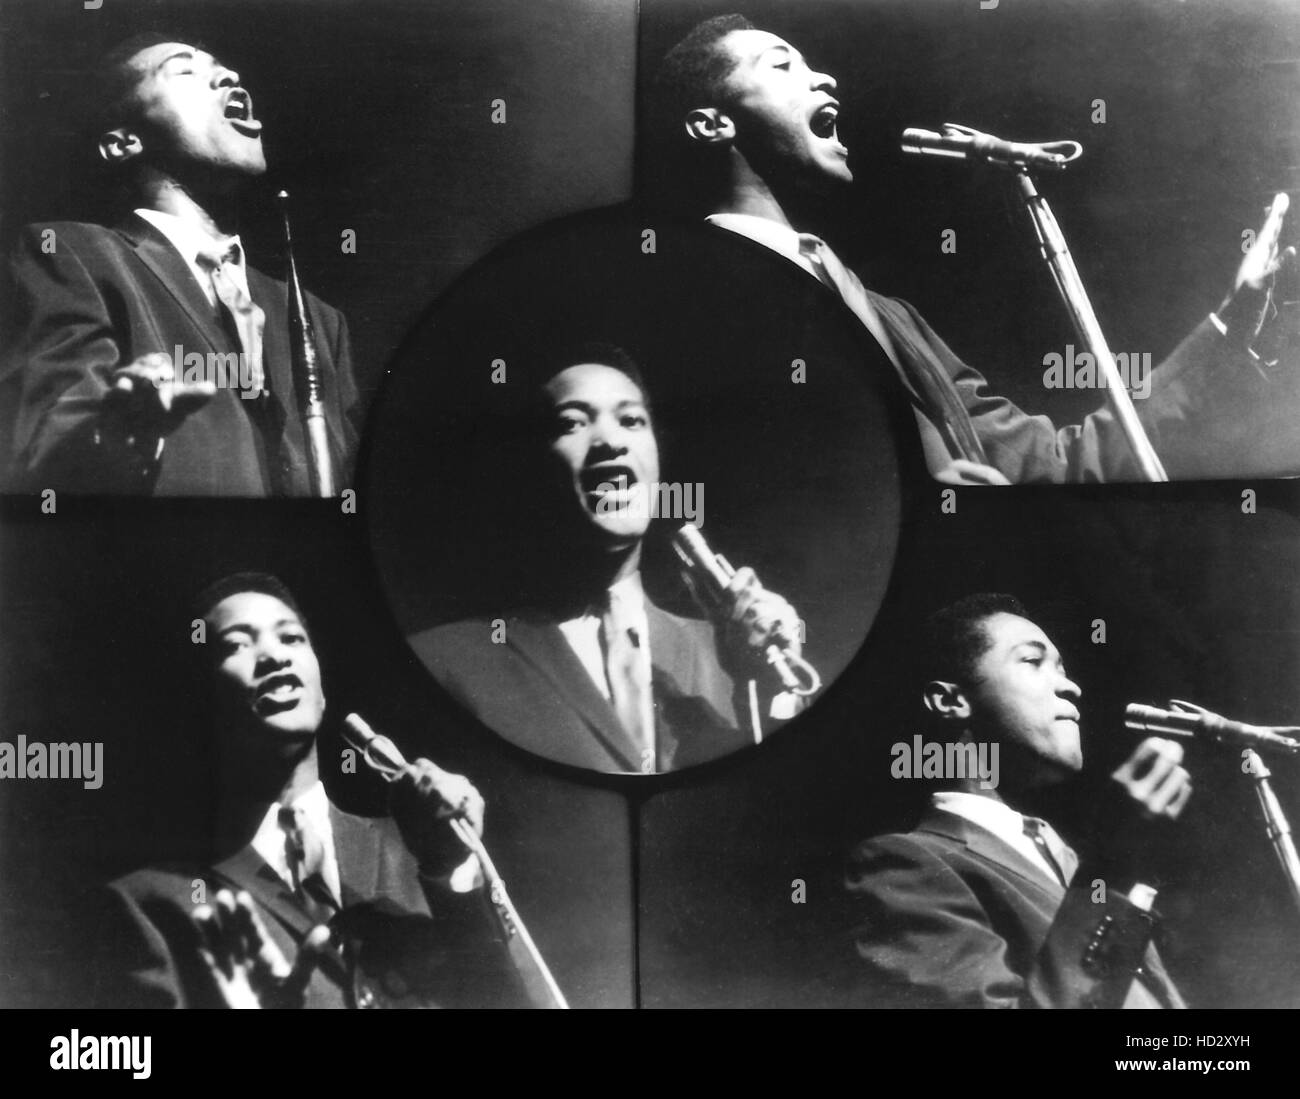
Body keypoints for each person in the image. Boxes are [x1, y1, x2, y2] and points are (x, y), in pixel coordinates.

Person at [649, 15, 1295, 483]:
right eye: (782, 65)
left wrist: (1229, 328)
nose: (825, 78)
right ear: (712, 123)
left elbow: (1055, 463)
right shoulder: (683, 298)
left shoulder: (890, 317)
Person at [89, 573, 518, 1008]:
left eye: (292, 638)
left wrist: (449, 867)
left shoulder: (421, 851)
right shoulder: (152, 905)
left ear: (321, 685)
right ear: (197, 704)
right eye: (237, 644)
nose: (274, 655)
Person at [410, 342, 808, 774]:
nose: (609, 441)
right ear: (529, 471)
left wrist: (769, 690)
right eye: (573, 423)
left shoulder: (733, 657)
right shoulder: (444, 663)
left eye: (632, 420)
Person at [0, 33, 356, 495]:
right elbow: (44, 450)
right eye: (184, 69)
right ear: (123, 143)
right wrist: (117, 435)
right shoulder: (71, 255)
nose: (229, 76)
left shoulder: (324, 322)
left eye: (223, 68)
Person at [842, 593, 1193, 1008]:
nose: (1071, 686)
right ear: (950, 701)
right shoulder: (901, 865)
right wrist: (1113, 866)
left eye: (1063, 668)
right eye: (1032, 661)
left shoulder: (1069, 860)